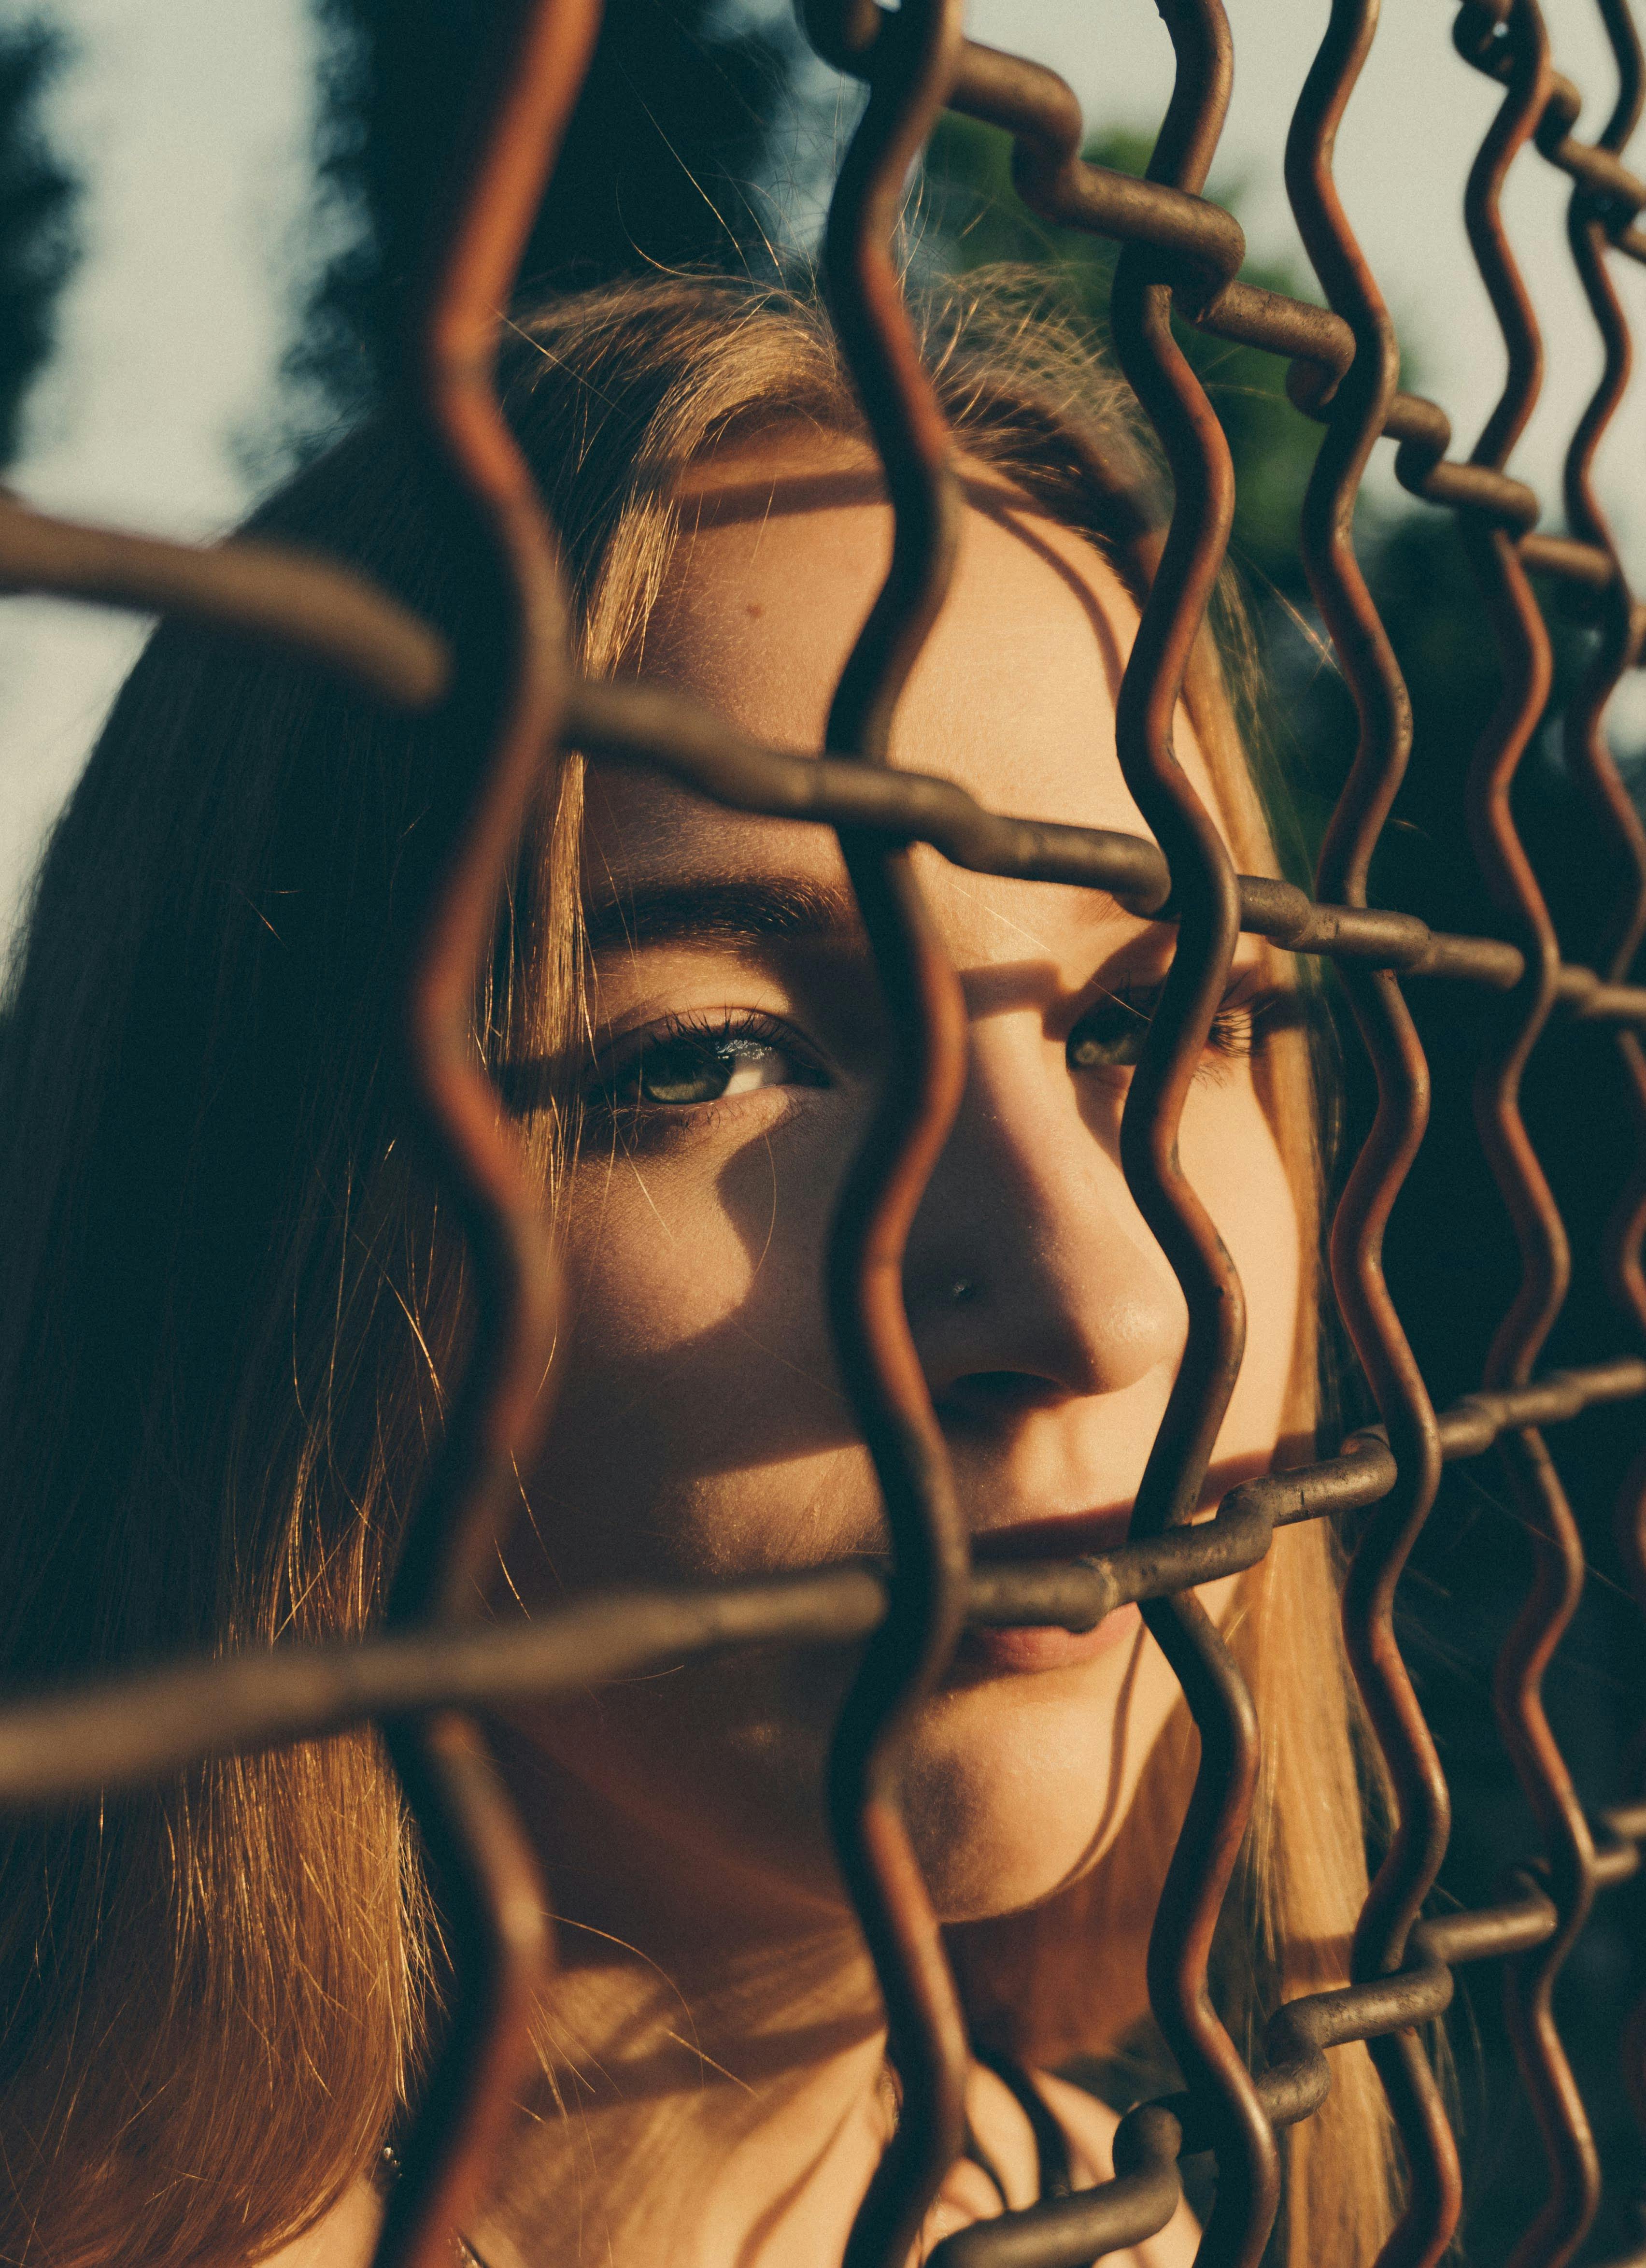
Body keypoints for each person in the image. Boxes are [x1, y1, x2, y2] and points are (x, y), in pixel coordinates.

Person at [0, 271, 1396, 2268]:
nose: (1110, 1303)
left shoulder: (1174, 2222)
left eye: (1149, 1027)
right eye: (708, 1059)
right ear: (262, 1226)